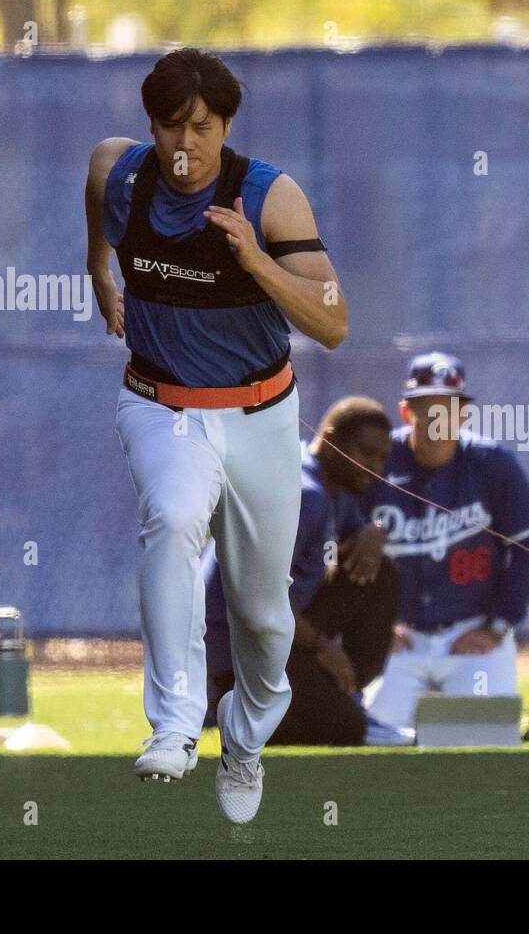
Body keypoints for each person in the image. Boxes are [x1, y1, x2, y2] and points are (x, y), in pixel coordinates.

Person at [84, 47, 347, 824]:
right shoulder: (122, 172)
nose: (183, 147)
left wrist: (256, 262)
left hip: (261, 414)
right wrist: (99, 266)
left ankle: (244, 738)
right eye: (169, 128)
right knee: (170, 516)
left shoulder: (271, 198)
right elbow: (96, 182)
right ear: (152, 126)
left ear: (226, 124)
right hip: (160, 402)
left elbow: (333, 321)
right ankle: (172, 723)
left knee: (263, 615)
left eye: (200, 128)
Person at [362, 353, 529, 736]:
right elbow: (337, 546)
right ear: (406, 412)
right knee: (373, 741)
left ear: (464, 415)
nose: (438, 422)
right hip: (397, 640)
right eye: (428, 410)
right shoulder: (377, 461)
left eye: (449, 409)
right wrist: (372, 624)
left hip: (471, 634)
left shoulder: (491, 463)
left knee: (484, 740)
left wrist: (497, 626)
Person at [202, 396, 404, 743]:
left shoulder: (332, 488)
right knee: (346, 730)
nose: (375, 468)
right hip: (238, 647)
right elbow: (257, 602)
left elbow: (350, 553)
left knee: (380, 573)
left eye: (383, 458)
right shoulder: (302, 494)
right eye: (366, 453)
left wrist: (374, 532)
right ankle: (233, 706)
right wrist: (324, 647)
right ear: (328, 439)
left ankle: (340, 696)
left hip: (278, 632)